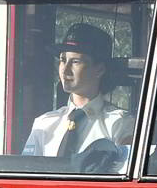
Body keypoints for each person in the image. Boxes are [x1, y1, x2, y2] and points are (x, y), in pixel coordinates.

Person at [22, 23, 137, 159]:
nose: (65, 69)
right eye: (62, 60)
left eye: (75, 61)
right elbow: (29, 173)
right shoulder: (44, 124)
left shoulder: (119, 124)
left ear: (99, 69)